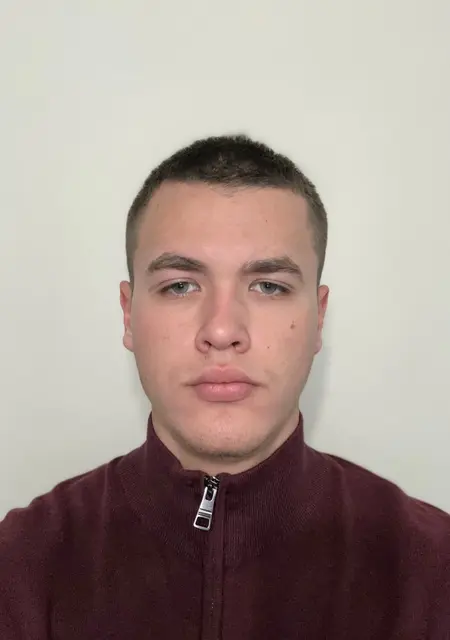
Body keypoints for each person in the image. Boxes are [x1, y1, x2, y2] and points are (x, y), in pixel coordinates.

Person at [0, 134, 449, 639]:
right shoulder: (20, 566)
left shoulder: (432, 572)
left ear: (319, 317)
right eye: (180, 286)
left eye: (269, 286)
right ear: (128, 315)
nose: (221, 330)